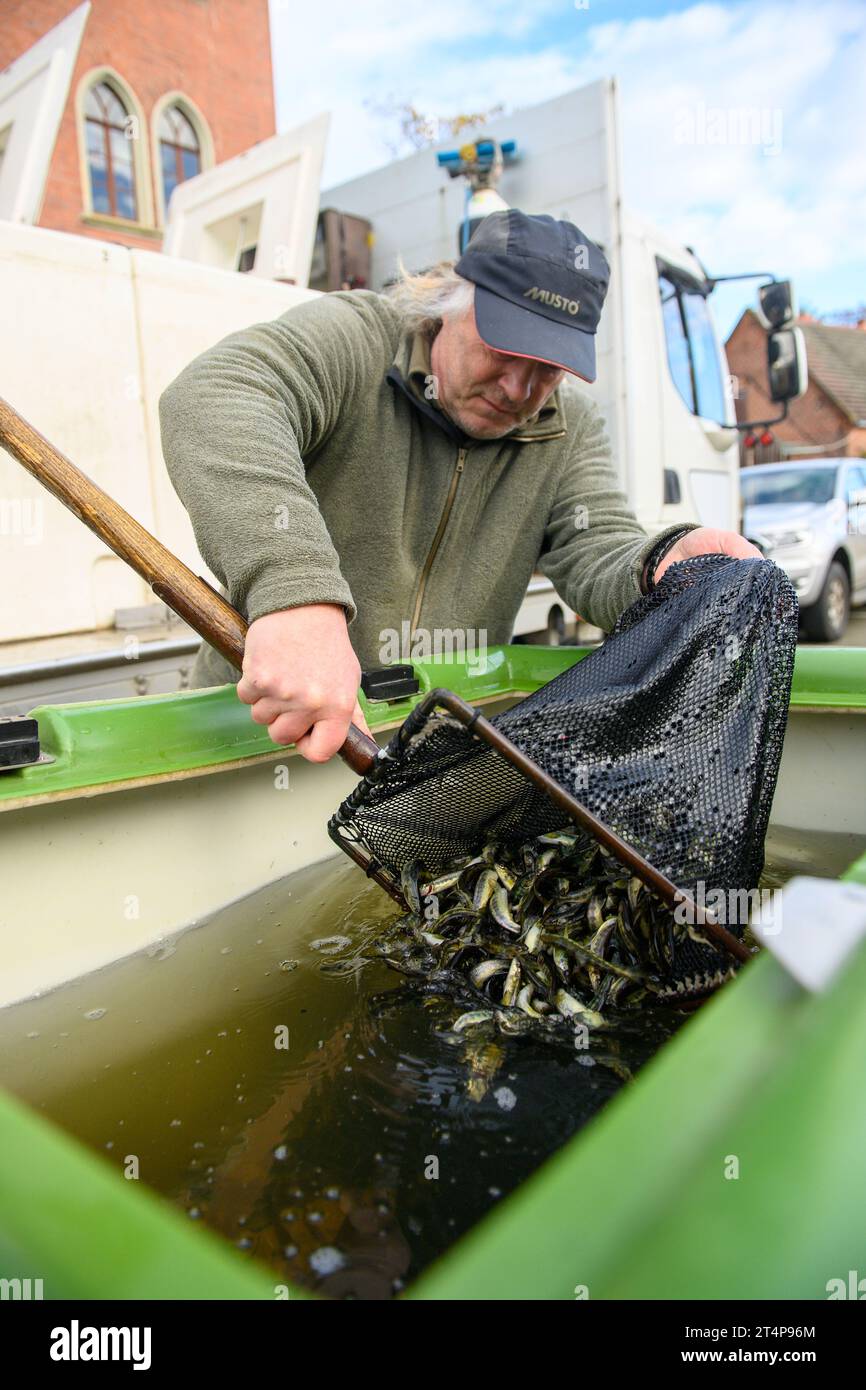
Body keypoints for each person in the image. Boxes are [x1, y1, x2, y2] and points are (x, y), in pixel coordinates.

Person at [159, 210, 758, 763]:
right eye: (506, 350)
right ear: (450, 302)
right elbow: (217, 395)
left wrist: (663, 561)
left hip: (430, 747)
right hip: (258, 731)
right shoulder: (359, 339)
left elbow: (596, 544)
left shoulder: (571, 428)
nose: (519, 390)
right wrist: (293, 593)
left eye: (548, 368)